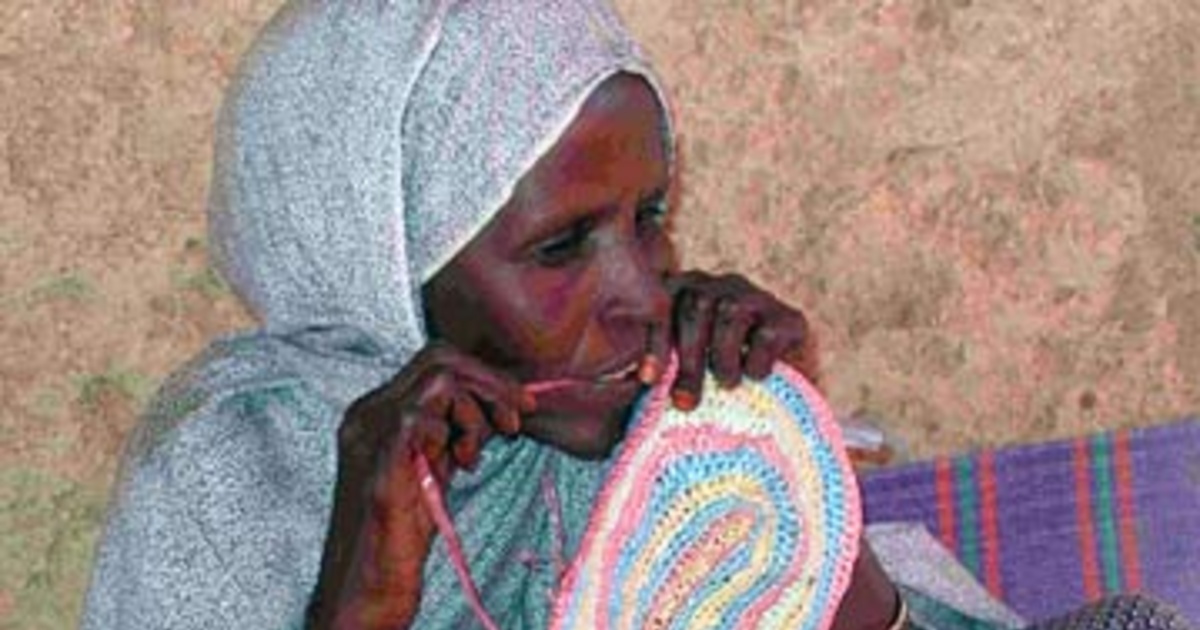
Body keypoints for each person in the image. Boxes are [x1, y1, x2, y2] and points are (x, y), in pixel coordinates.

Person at [81, 2, 1193, 629]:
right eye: (562, 247)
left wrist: (798, 506)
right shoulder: (231, 482)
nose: (642, 297)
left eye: (649, 218)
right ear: (379, 263)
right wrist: (365, 595)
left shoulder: (661, 445)